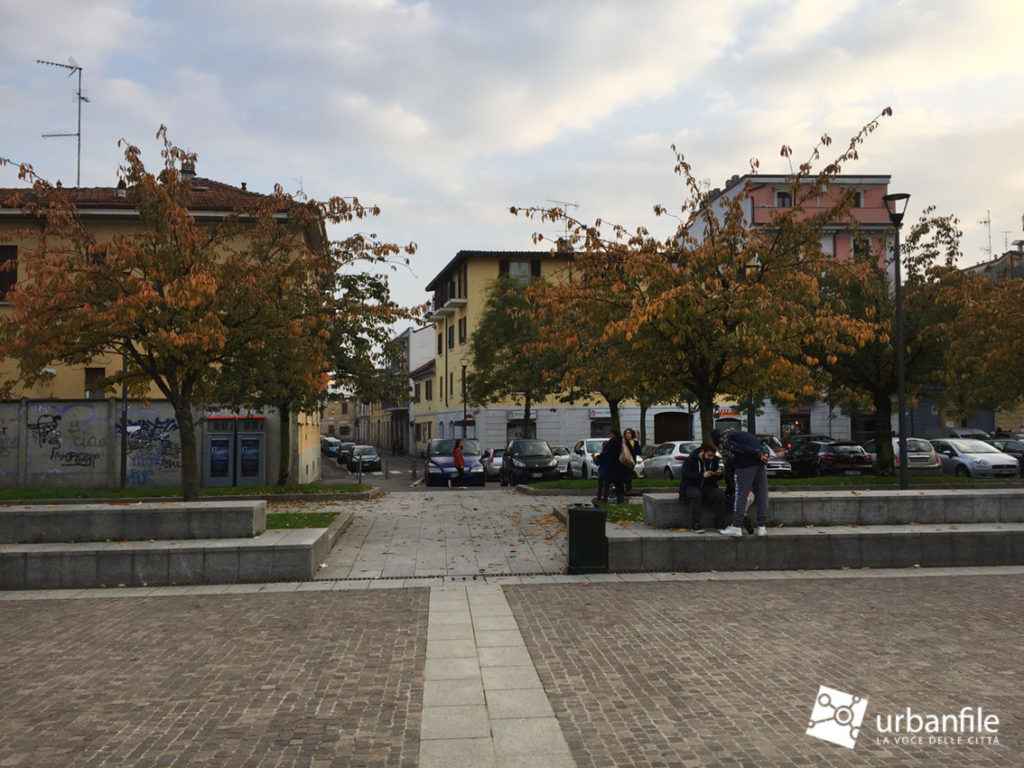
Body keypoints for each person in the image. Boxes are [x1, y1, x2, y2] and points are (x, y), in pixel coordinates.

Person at [718, 429, 770, 537]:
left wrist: (756, 453)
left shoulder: (726, 439)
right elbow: (763, 446)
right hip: (760, 464)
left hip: (745, 465)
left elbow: (738, 448)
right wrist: (763, 454)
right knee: (762, 494)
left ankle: (736, 527)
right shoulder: (747, 435)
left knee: (740, 495)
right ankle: (762, 527)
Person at [678, 443, 725, 533]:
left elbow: (715, 478)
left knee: (719, 495)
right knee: (696, 495)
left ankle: (719, 525)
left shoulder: (713, 460)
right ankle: (695, 525)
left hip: (707, 486)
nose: (711, 458)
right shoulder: (690, 460)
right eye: (709, 455)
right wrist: (701, 475)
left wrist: (718, 475)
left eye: (712, 456)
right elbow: (686, 475)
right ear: (702, 451)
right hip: (690, 486)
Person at [596, 427, 636, 504]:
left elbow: (607, 452)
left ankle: (619, 499)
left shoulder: (612, 441)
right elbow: (631, 451)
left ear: (612, 433)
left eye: (610, 434)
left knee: (617, 483)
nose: (609, 435)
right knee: (621, 484)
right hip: (624, 465)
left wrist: (598, 456)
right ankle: (621, 499)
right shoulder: (624, 440)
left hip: (615, 466)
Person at [623, 428, 641, 492]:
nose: (627, 434)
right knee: (625, 474)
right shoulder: (623, 442)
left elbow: (638, 452)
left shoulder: (634, 442)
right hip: (623, 460)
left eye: (629, 433)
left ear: (632, 434)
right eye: (626, 433)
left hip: (631, 460)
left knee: (629, 474)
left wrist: (638, 441)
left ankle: (629, 487)